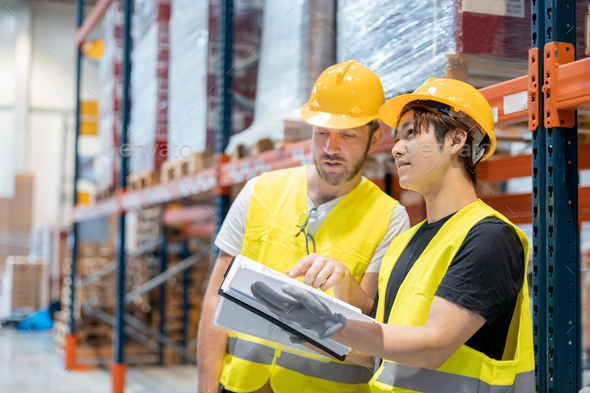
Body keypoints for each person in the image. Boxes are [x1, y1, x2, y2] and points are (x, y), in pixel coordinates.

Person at [251, 78, 535, 392]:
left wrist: (337, 327)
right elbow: (377, 355)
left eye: (411, 134)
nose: (396, 148)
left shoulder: (489, 238)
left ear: (456, 141)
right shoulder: (404, 244)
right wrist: (304, 327)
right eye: (397, 138)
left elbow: (433, 345)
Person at [197, 60, 411, 393]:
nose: (330, 148)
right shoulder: (259, 191)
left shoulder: (390, 216)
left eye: (348, 135)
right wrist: (207, 389)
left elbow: (373, 320)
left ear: (374, 139)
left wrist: (343, 281)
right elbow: (215, 297)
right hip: (240, 386)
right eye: (322, 132)